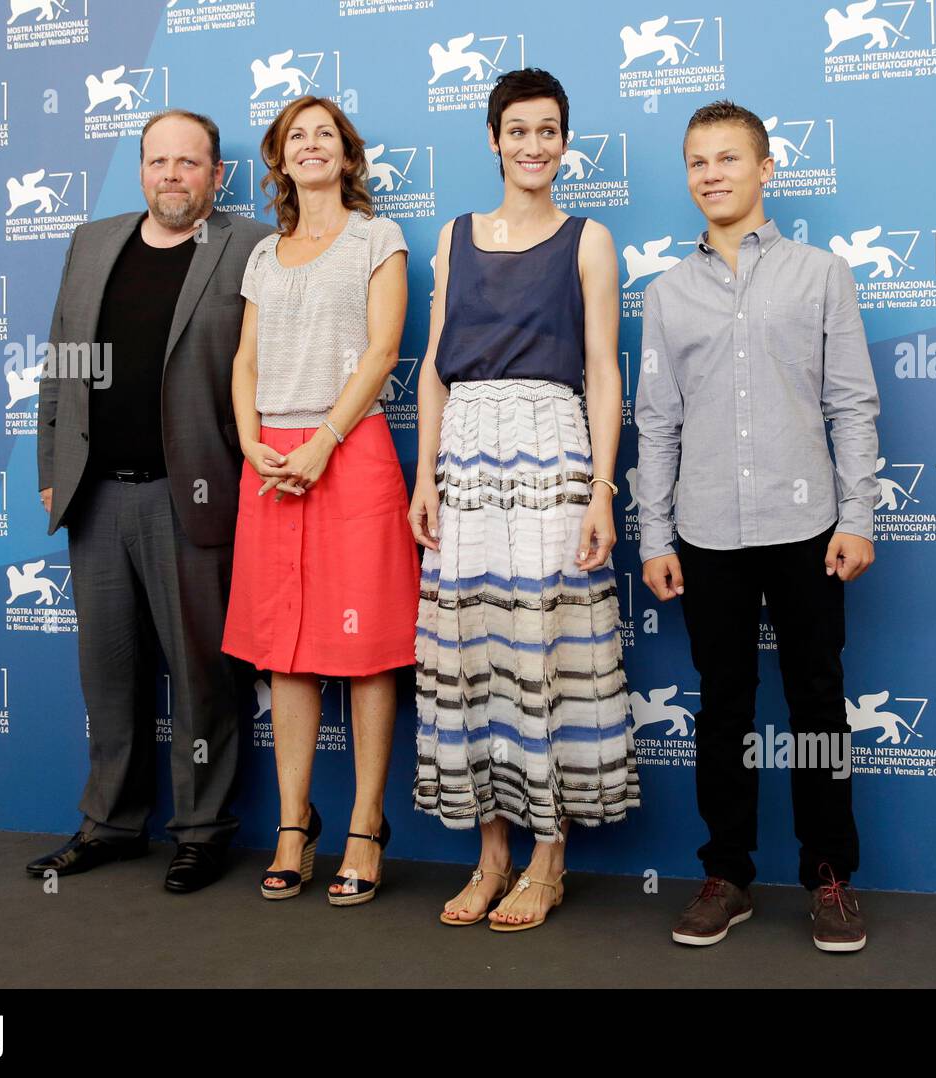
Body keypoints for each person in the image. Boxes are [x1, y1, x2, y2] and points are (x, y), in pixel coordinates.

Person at [635, 100, 880, 952]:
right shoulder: (666, 294)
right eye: (698, 160)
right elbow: (656, 422)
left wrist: (857, 516)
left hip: (808, 526)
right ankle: (728, 874)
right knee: (724, 711)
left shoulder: (821, 274)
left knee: (816, 705)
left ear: (766, 168)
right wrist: (654, 535)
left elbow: (851, 405)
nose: (712, 173)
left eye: (729, 158)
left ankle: (829, 873)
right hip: (705, 534)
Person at [409, 68, 639, 932]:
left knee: (550, 649)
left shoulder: (589, 240)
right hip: (465, 456)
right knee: (474, 654)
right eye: (518, 130)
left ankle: (550, 859)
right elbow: (433, 368)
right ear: (494, 140)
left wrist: (600, 490)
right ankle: (492, 855)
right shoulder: (454, 235)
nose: (534, 145)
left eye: (549, 130)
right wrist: (426, 475)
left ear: (564, 142)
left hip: (553, 449)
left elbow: (605, 374)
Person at [29, 109, 273, 893]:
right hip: (96, 498)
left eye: (189, 163)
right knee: (108, 674)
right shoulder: (94, 242)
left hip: (193, 495)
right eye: (158, 161)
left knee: (202, 676)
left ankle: (200, 831)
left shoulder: (246, 246)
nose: (172, 175)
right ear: (141, 169)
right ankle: (110, 823)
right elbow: (62, 367)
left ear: (215, 174)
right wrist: (51, 465)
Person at [221, 96, 418, 907]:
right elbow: (244, 360)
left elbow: (382, 351)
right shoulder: (264, 254)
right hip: (271, 462)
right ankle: (295, 825)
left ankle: (367, 825)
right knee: (285, 649)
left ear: (347, 156)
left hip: (351, 453)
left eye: (324, 136)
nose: (310, 146)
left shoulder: (379, 239)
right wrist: (250, 440)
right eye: (296, 136)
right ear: (280, 157)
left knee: (365, 647)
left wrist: (322, 442)